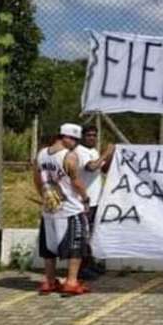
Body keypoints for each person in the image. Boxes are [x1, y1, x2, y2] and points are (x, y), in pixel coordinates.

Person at [32, 123, 91, 295]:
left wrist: (44, 195)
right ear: (66, 137)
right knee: (77, 244)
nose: (76, 144)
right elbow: (76, 181)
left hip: (50, 208)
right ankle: (71, 282)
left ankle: (49, 280)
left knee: (48, 246)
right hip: (70, 207)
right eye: (75, 140)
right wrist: (85, 198)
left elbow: (36, 178)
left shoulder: (42, 154)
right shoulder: (69, 156)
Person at [76, 125, 114, 279]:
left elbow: (103, 169)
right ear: (82, 137)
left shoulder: (93, 151)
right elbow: (91, 167)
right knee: (83, 235)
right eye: (89, 135)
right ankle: (81, 269)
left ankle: (90, 264)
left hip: (95, 200)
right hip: (83, 201)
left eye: (94, 135)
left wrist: (111, 156)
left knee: (91, 235)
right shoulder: (79, 151)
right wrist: (106, 153)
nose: (92, 138)